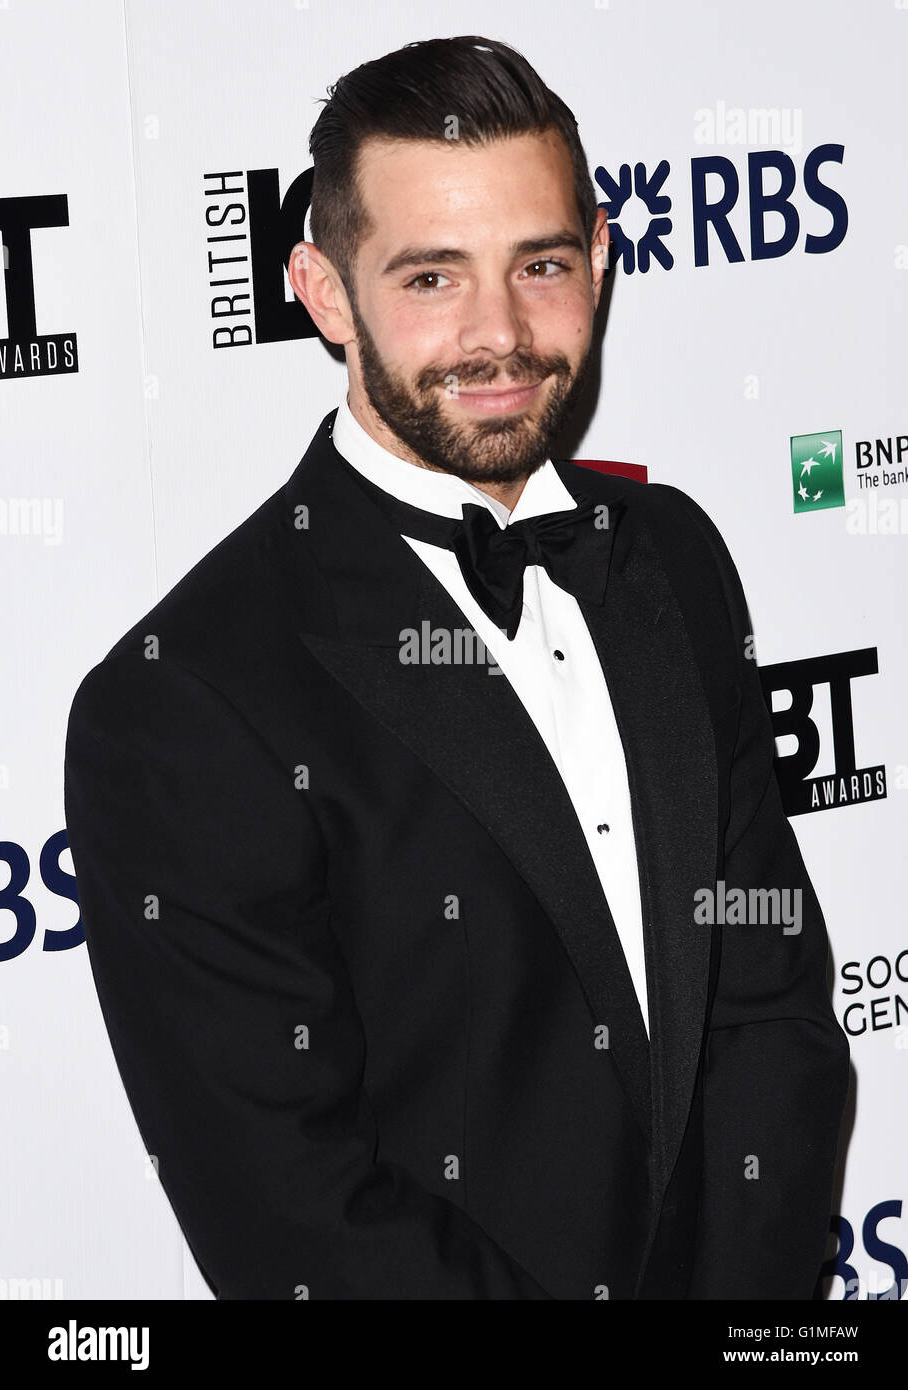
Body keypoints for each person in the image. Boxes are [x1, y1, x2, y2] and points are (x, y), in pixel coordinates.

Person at [64, 34, 850, 1300]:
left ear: (598, 257)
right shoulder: (183, 698)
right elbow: (291, 1213)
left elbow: (769, 1000)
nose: (500, 333)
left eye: (538, 264)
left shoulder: (673, 559)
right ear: (324, 294)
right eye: (431, 278)